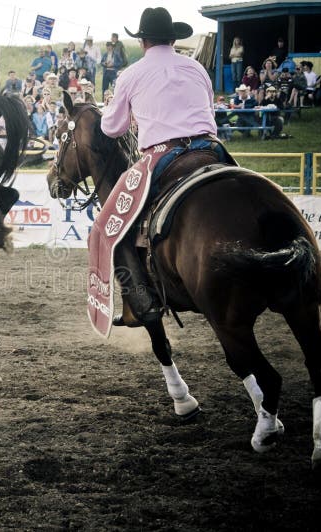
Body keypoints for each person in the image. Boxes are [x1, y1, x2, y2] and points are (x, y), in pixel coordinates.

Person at [100, 7, 234, 328]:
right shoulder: (197, 68)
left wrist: (114, 108)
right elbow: (209, 114)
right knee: (239, 183)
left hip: (162, 156)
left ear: (143, 41)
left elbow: (113, 128)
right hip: (211, 148)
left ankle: (140, 303)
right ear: (174, 38)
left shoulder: (130, 74)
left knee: (117, 228)